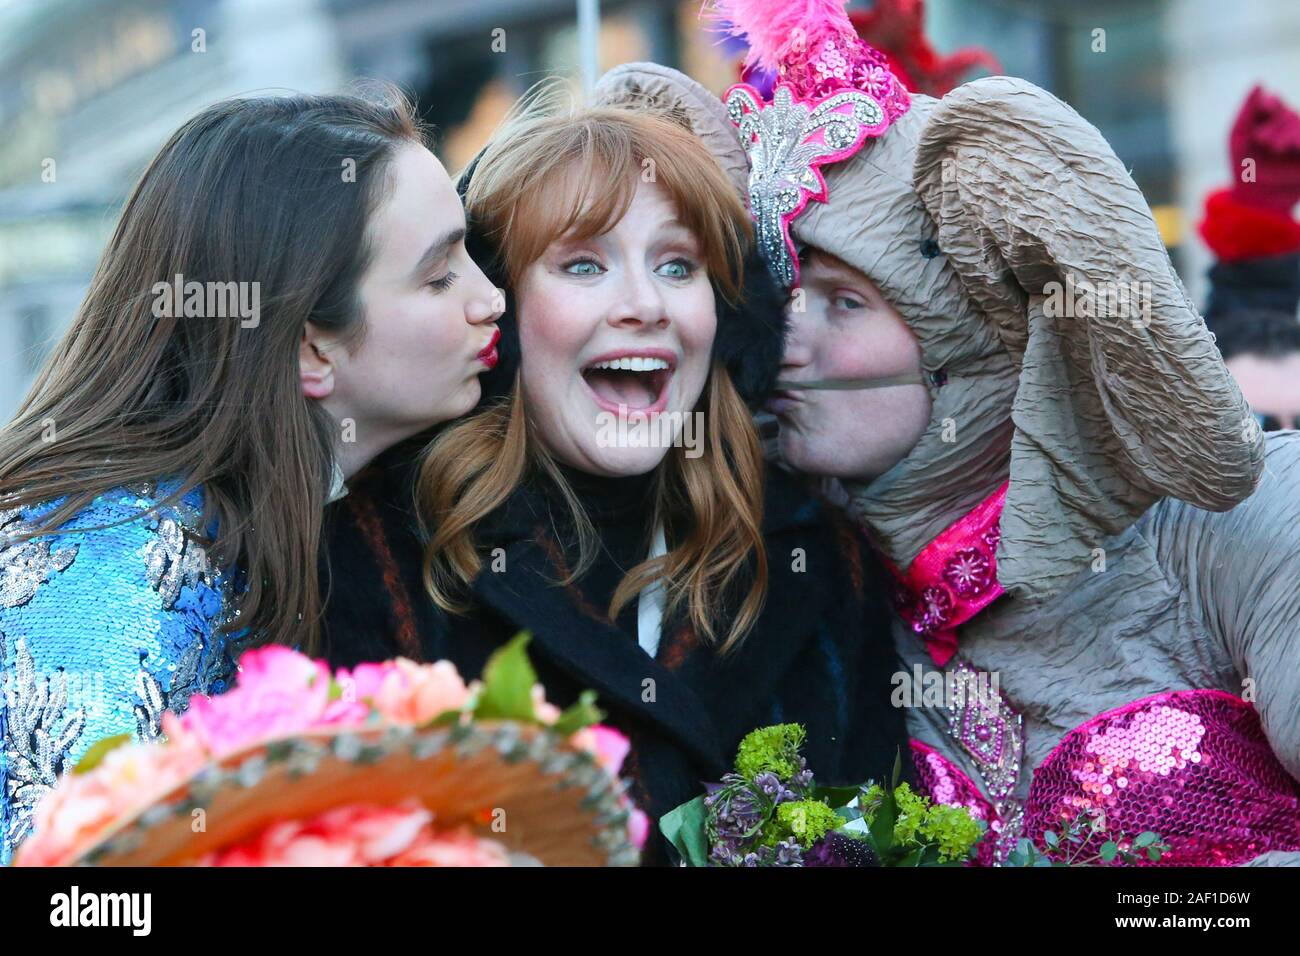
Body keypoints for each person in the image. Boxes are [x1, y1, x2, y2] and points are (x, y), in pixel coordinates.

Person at [642, 0, 1300, 864]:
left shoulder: (1245, 520)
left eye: (845, 301)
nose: (785, 345)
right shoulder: (807, 601)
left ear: (979, 325)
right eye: (776, 298)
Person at [322, 93, 908, 865]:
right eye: (584, 265)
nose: (643, 305)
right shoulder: (372, 553)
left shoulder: (824, 560)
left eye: (677, 265)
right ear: (503, 310)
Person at [0, 86, 502, 863]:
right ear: (311, 349)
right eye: (439, 278)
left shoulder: (236, 515)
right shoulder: (122, 566)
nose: (492, 299)